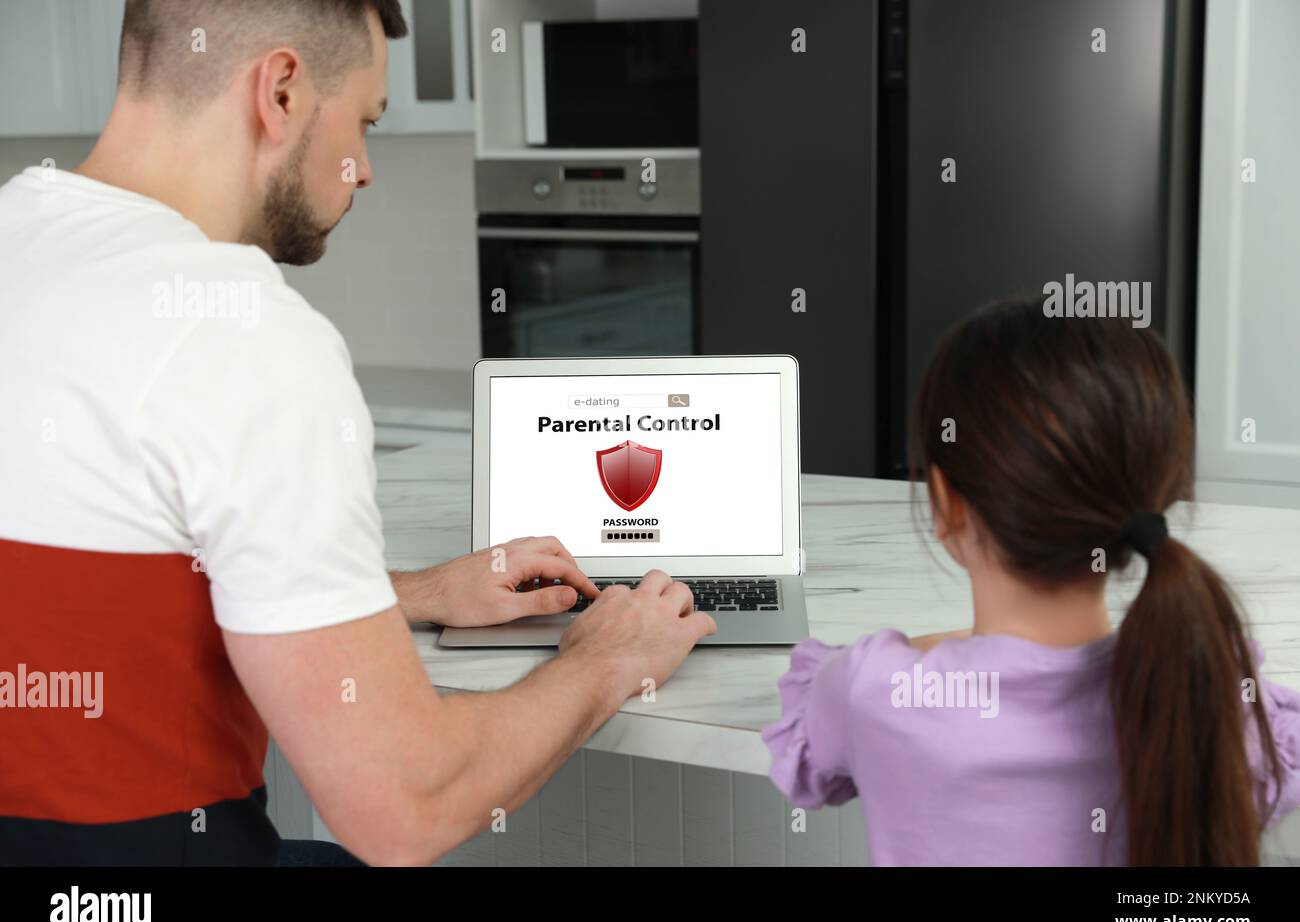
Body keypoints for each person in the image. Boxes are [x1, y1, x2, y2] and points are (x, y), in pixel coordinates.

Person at [0, 0, 713, 866]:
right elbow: (404, 806)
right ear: (284, 91)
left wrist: (406, 596)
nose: (366, 168)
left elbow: (107, 580)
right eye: (365, 123)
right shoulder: (242, 331)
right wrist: (609, 658)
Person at [763, 297, 1300, 865]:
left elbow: (810, 754)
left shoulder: (874, 689)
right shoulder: (1210, 697)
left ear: (947, 503)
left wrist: (942, 647)